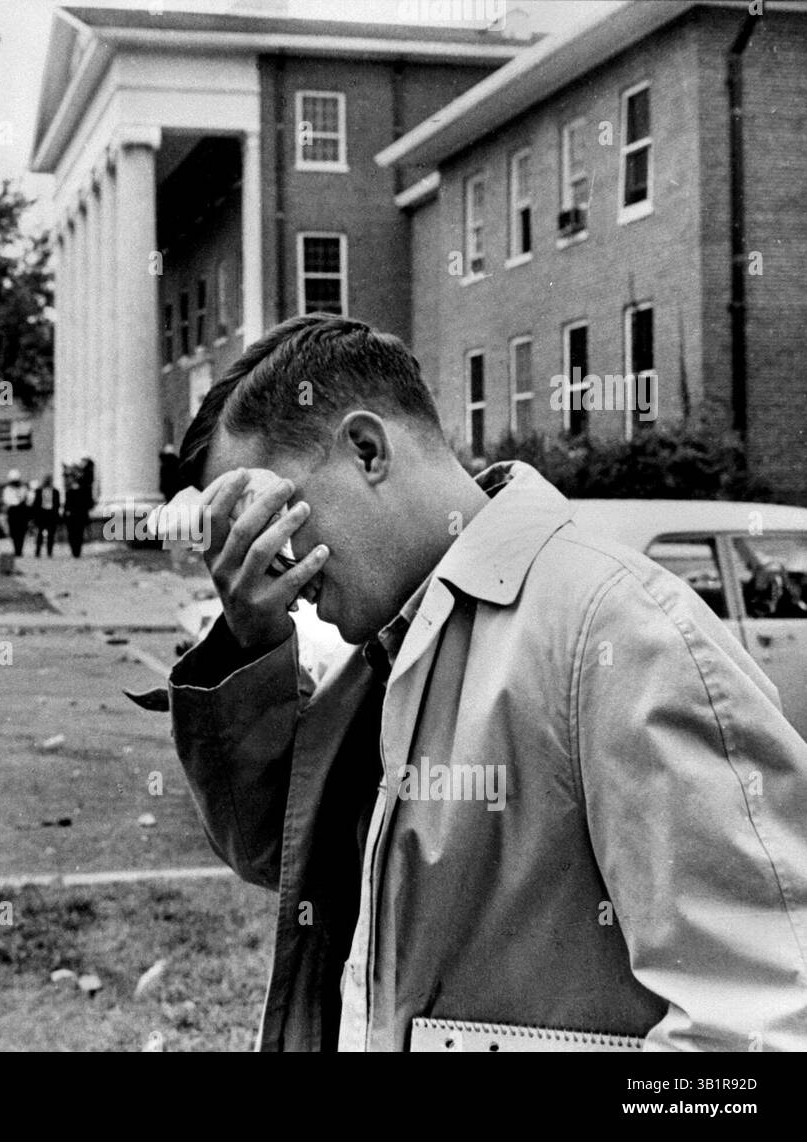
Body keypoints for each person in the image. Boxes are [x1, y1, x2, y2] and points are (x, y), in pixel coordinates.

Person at [168, 313, 807, 1052]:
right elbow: (271, 853)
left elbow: (761, 1026)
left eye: (265, 520)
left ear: (367, 450)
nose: (259, 562)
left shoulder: (617, 630)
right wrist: (251, 650)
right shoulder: (388, 648)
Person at [63, 459, 94, 558]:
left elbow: (86, 502)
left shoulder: (83, 489)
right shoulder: (70, 490)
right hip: (72, 514)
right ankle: (74, 550)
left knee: (79, 533)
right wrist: (66, 511)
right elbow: (67, 503)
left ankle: (77, 551)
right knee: (72, 533)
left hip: (80, 514)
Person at [2, 469, 31, 558]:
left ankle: (19, 550)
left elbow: (28, 500)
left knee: (21, 532)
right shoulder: (7, 489)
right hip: (13, 511)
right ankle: (17, 549)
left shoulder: (23, 488)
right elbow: (7, 500)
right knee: (14, 532)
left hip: (21, 511)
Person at [32, 473, 61, 558]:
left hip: (51, 514)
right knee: (40, 534)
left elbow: (57, 504)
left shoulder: (55, 492)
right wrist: (36, 515)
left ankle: (49, 551)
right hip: (42, 514)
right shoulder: (39, 491)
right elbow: (36, 504)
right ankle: (38, 551)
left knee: (51, 534)